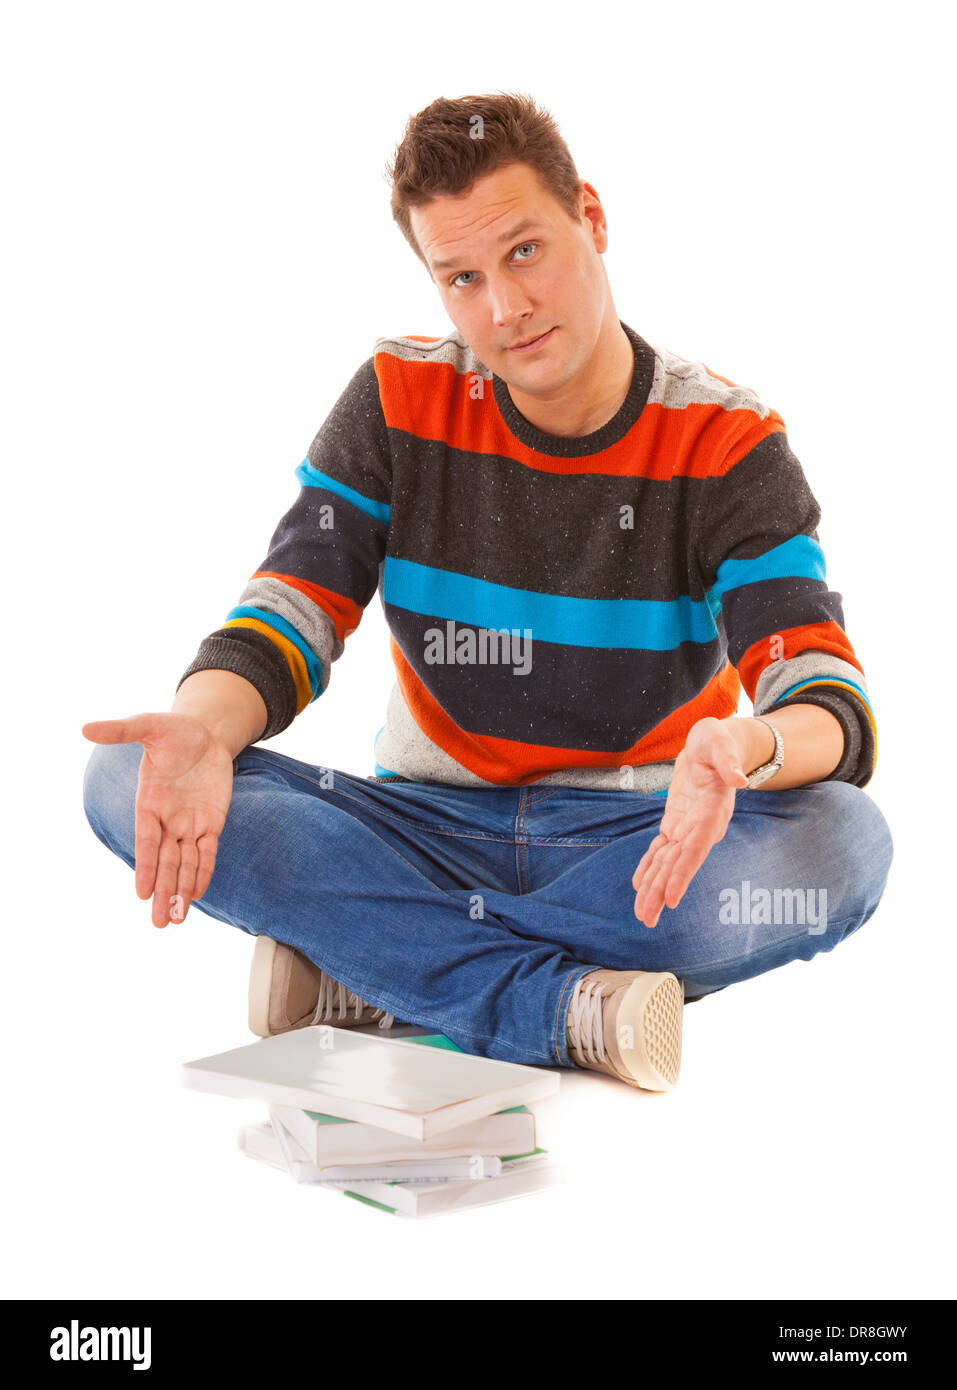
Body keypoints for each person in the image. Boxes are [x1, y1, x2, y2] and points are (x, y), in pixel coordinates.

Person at [81, 92, 893, 1093]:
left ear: (590, 218)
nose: (505, 308)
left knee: (846, 842)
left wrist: (749, 746)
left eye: (524, 252)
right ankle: (554, 1003)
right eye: (462, 277)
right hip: (422, 829)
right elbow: (288, 612)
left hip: (637, 843)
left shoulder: (726, 442)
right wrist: (203, 728)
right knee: (129, 781)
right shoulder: (395, 398)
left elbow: (827, 702)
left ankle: (375, 967)